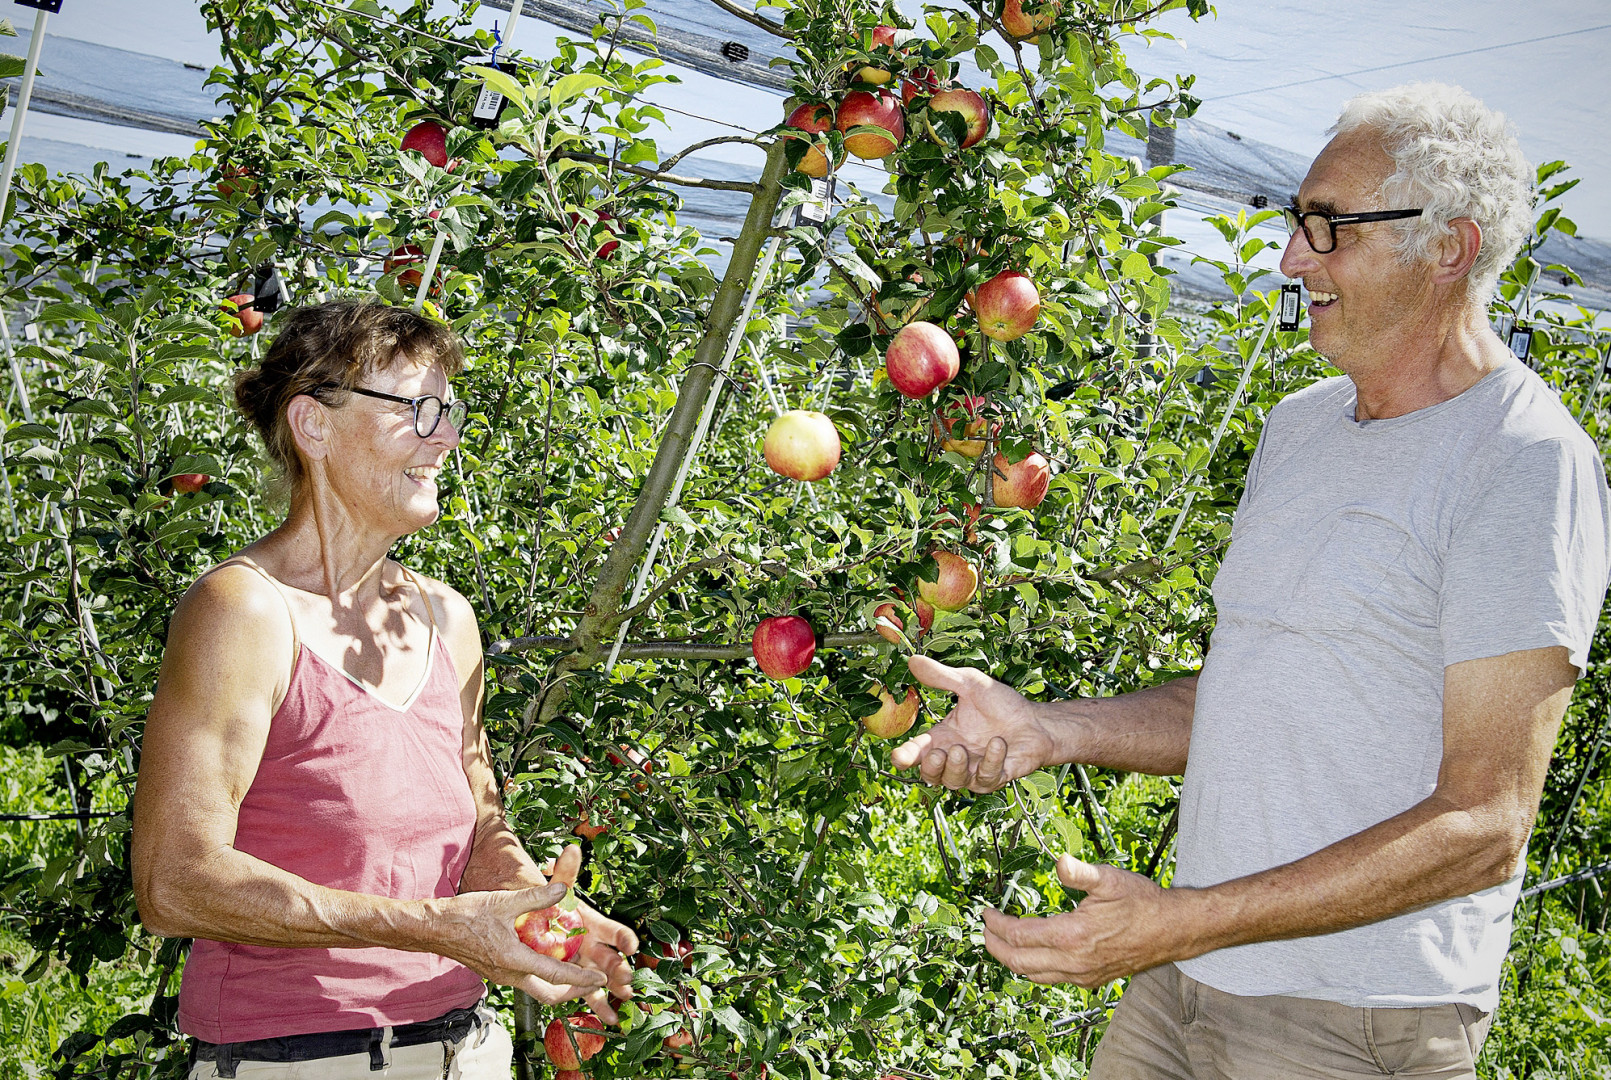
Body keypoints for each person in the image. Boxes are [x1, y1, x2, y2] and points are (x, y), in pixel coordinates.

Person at [893, 83, 1611, 1079]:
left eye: (1329, 229)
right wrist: (1055, 729)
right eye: (1295, 222)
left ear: (1447, 247)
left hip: (1350, 1019)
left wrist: (1181, 920)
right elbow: (1253, 696)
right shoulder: (1301, 428)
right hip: (1192, 974)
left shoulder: (1522, 460)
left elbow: (1485, 821)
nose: (1291, 259)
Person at [131, 300, 638, 1079]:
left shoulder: (445, 618)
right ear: (314, 426)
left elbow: (478, 833)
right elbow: (175, 882)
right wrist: (433, 928)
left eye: (449, 409)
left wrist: (542, 919)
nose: (447, 435)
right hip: (294, 1058)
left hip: (462, 1050)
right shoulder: (245, 612)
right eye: (416, 409)